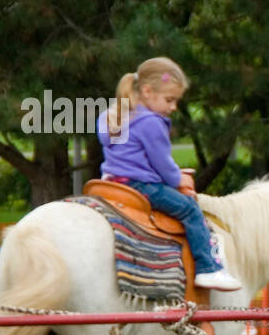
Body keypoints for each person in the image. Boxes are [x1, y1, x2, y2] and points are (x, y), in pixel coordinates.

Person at [97, 57, 242, 291]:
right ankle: (209, 269)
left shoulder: (114, 115)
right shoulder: (151, 122)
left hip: (112, 182)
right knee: (190, 210)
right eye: (169, 100)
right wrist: (178, 178)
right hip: (141, 186)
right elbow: (163, 164)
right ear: (147, 91)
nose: (173, 107)